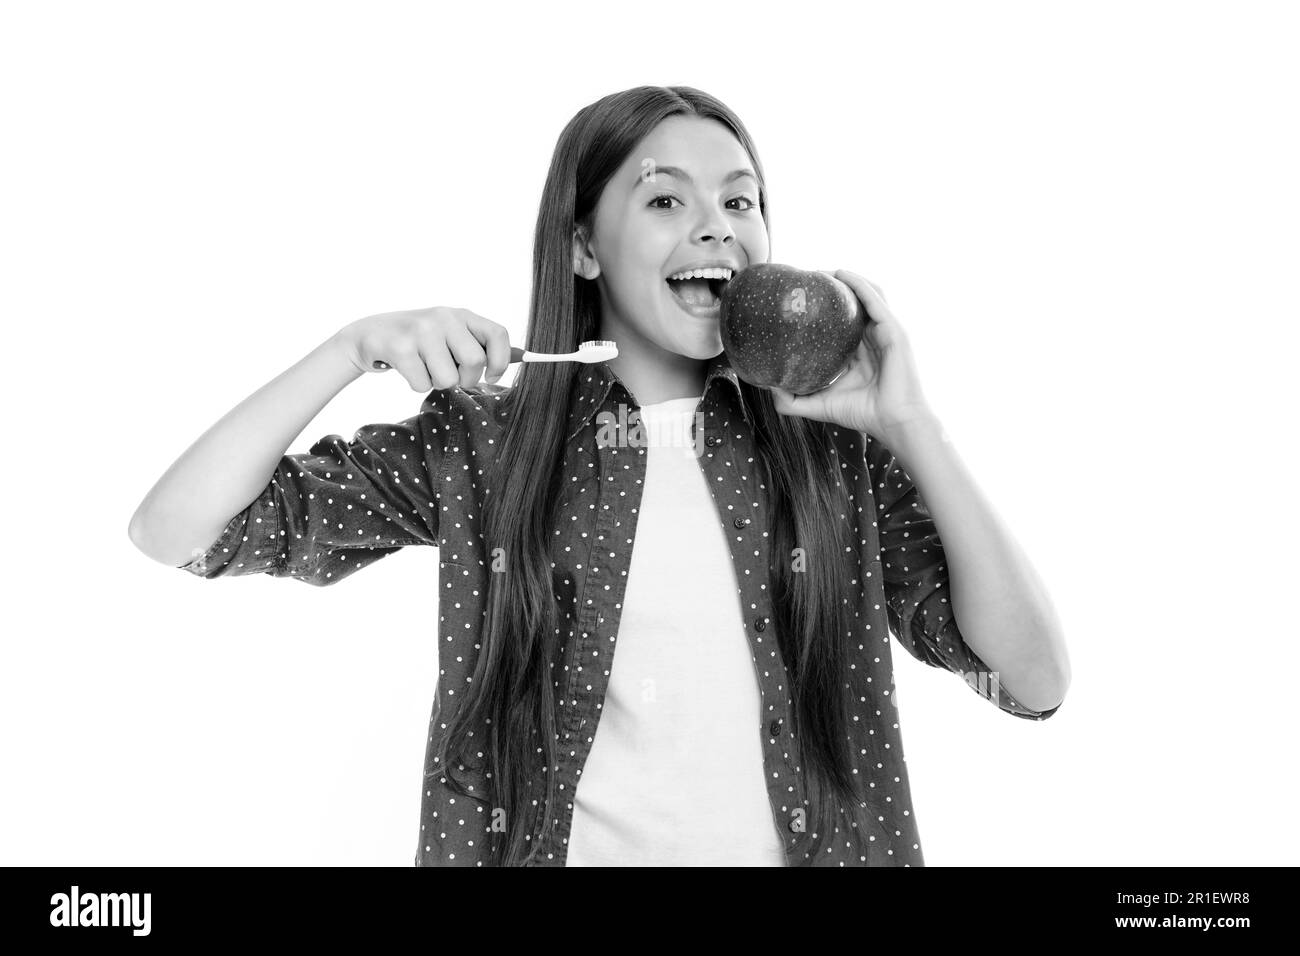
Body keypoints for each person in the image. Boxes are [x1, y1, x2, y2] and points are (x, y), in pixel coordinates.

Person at [128, 85, 1070, 867]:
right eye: (667, 201)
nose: (718, 228)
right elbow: (177, 531)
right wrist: (347, 350)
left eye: (741, 201)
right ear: (583, 245)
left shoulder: (832, 449)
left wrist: (909, 425)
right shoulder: (486, 442)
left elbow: (1031, 681)